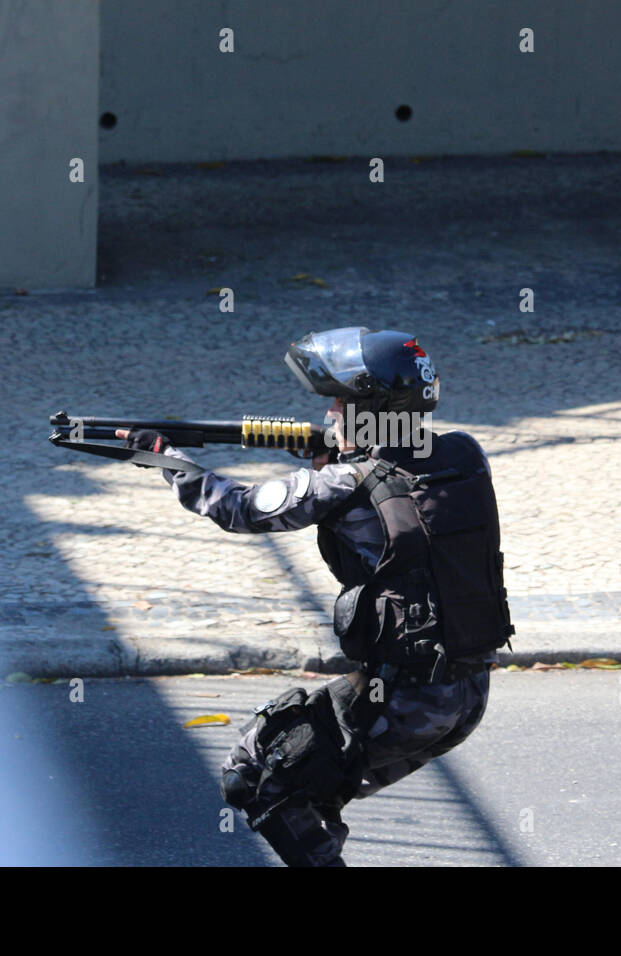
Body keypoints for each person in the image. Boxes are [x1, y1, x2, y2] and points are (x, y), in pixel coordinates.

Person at [117, 327, 514, 866]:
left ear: (369, 409)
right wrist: (328, 457)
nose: (328, 413)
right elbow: (406, 503)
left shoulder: (345, 483)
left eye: (338, 402)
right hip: (467, 692)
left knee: (256, 777)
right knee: (311, 784)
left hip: (403, 699)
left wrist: (165, 459)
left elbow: (237, 508)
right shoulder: (466, 455)